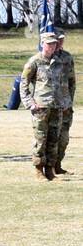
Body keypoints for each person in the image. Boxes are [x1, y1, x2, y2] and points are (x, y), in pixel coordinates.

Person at [21, 31, 70, 180]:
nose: (52, 46)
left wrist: (66, 101)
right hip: (41, 107)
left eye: (54, 43)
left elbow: (64, 84)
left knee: (54, 139)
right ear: (42, 44)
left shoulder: (59, 62)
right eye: (49, 44)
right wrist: (30, 103)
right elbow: (24, 84)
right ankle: (38, 170)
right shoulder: (34, 62)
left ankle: (50, 169)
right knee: (40, 139)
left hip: (57, 106)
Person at [55, 31, 74, 175]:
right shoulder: (44, 58)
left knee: (64, 138)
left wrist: (70, 99)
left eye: (62, 39)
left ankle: (58, 164)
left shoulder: (67, 57)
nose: (60, 42)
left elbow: (72, 81)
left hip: (66, 104)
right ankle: (45, 167)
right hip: (51, 104)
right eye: (58, 39)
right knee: (50, 138)